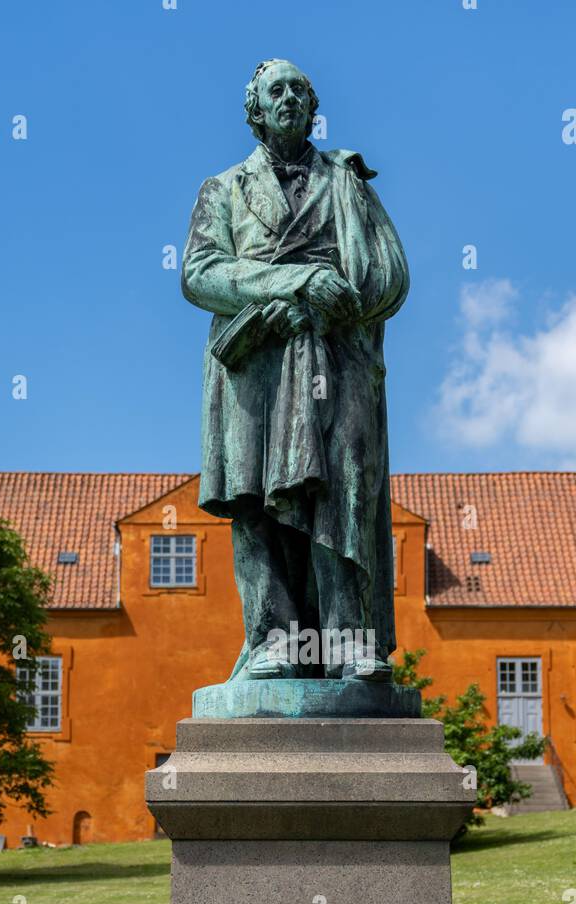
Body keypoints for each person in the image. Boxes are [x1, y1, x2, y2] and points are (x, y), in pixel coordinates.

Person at [182, 58, 409, 682]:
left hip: (337, 354)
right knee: (254, 494)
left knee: (344, 488)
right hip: (255, 361)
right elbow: (199, 274)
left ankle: (348, 640)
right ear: (255, 111)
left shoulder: (348, 182)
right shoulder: (223, 189)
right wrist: (295, 279)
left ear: (314, 107)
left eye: (298, 90)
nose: (287, 99)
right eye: (274, 90)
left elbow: (392, 272)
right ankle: (274, 638)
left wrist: (346, 300)